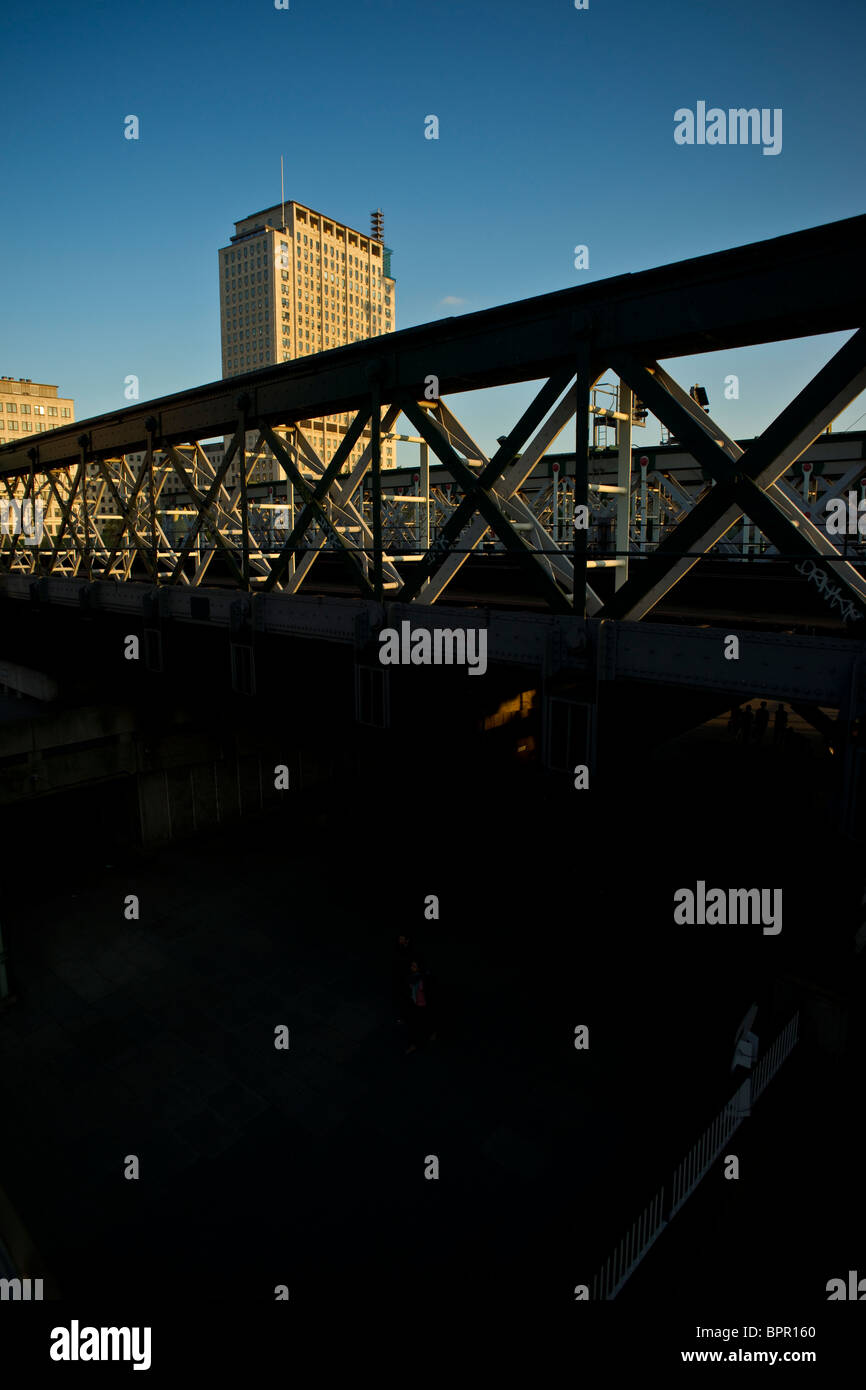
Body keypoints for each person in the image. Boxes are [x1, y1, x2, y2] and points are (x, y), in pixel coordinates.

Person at [405, 958, 436, 1054]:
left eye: (414, 966)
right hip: (417, 1004)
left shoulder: (424, 978)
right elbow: (411, 985)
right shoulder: (414, 977)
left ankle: (429, 1035)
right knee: (416, 1025)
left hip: (424, 1005)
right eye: (412, 966)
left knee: (424, 1022)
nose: (411, 967)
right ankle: (415, 1044)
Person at [392, 933, 414, 1023]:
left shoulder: (411, 951)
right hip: (401, 978)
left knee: (409, 998)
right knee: (402, 998)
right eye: (399, 939)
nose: (400, 940)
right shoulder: (398, 950)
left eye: (402, 939)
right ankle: (402, 1016)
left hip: (409, 978)